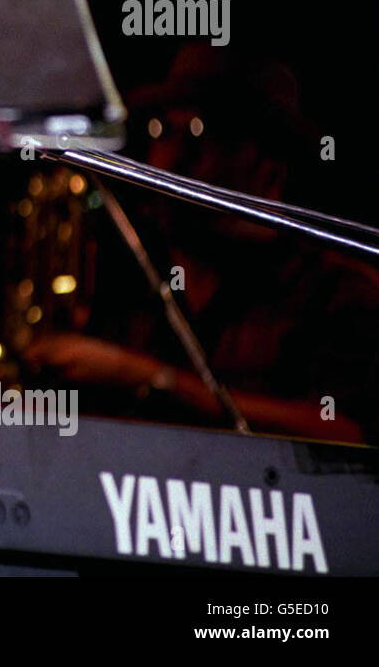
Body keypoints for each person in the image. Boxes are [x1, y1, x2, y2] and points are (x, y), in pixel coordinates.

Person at [22, 46, 379, 443]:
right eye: (163, 131)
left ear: (269, 163)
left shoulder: (337, 290)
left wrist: (155, 379)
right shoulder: (134, 275)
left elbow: (349, 434)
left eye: (201, 133)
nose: (172, 157)